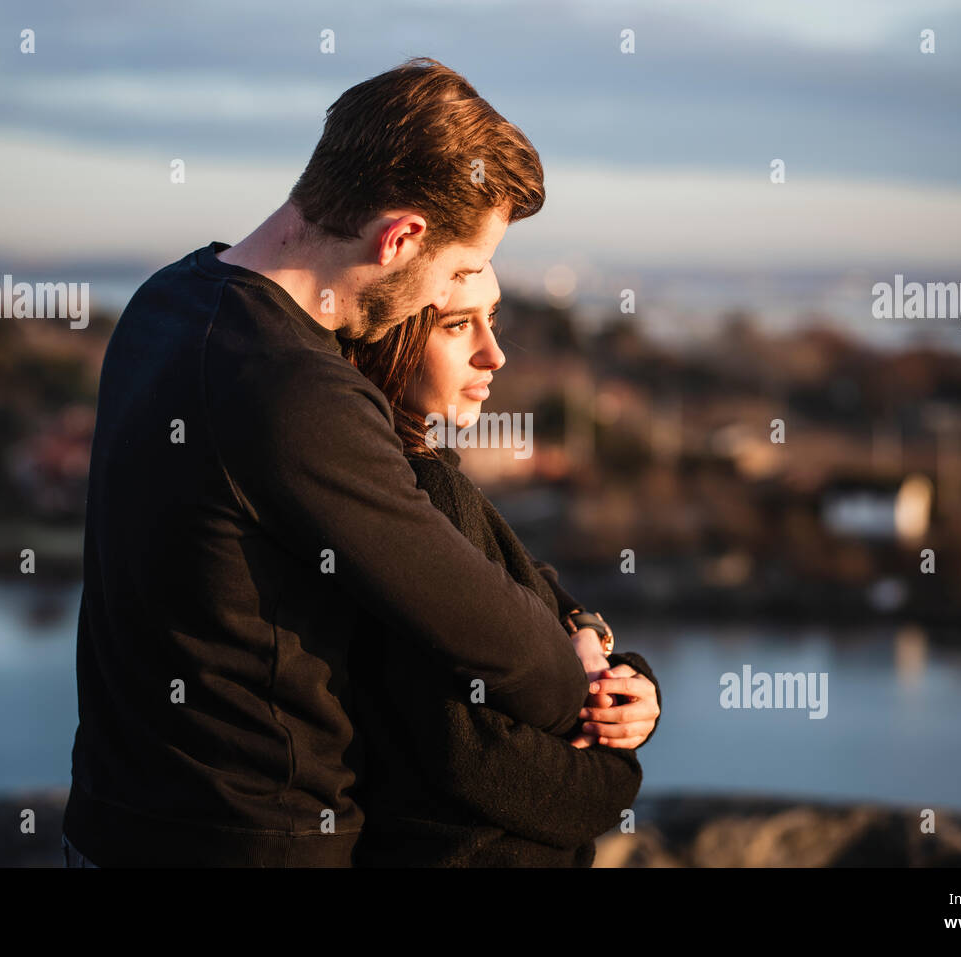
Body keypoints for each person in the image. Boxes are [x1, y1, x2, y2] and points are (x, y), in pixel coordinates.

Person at [62, 58, 631, 867]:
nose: (449, 296)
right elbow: (502, 644)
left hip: (110, 820)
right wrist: (583, 671)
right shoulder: (294, 389)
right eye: (457, 272)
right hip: (245, 842)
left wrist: (578, 629)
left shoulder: (166, 299)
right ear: (400, 238)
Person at [345, 264, 661, 866]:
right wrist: (615, 767)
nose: (494, 354)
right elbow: (473, 756)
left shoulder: (413, 474)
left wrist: (605, 653)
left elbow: (528, 585)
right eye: (458, 324)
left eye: (493, 320)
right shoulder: (424, 489)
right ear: (387, 334)